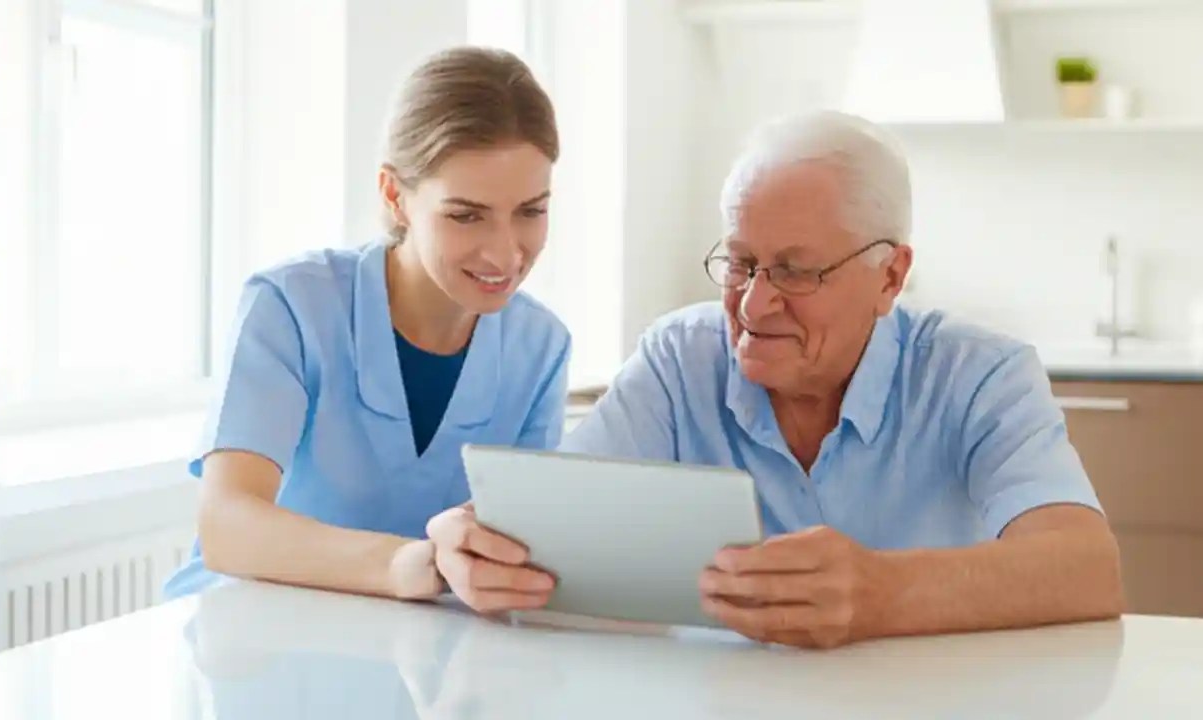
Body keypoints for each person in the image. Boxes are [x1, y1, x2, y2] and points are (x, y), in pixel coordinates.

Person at [427, 110, 1124, 648]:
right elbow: (554, 525)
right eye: (740, 263)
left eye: (796, 271)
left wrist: (884, 593)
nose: (755, 304)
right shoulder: (681, 360)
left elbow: (1086, 569)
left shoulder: (980, 375)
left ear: (890, 276)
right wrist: (473, 542)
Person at [163, 47, 569, 601]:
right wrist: (414, 565)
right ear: (394, 195)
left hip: (413, 654)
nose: (505, 255)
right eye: (465, 215)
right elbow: (227, 526)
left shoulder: (540, 348)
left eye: (530, 211)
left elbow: (518, 545)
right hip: (247, 637)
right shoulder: (292, 305)